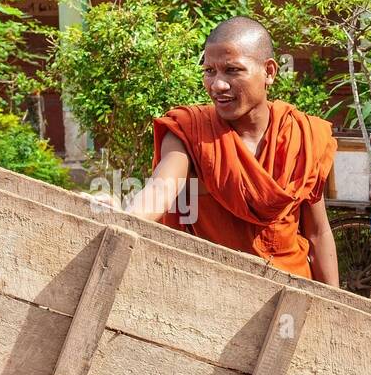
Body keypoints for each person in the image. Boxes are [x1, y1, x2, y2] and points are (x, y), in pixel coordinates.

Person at [120, 16, 338, 285]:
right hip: (215, 294)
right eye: (209, 71)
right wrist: (124, 219)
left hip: (289, 291)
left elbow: (318, 234)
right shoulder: (189, 131)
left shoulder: (301, 135)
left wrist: (335, 308)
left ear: (269, 72)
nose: (217, 85)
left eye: (232, 70)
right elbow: (160, 190)